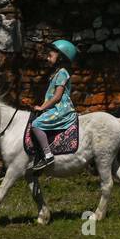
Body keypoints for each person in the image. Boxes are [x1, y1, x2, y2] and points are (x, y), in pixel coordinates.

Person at [28, 39, 78, 170]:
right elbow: (50, 96)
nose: (48, 58)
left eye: (50, 56)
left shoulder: (62, 73)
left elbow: (57, 97)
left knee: (36, 124)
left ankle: (48, 155)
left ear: (60, 57)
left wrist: (43, 107)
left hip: (61, 110)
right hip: (55, 108)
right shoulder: (56, 74)